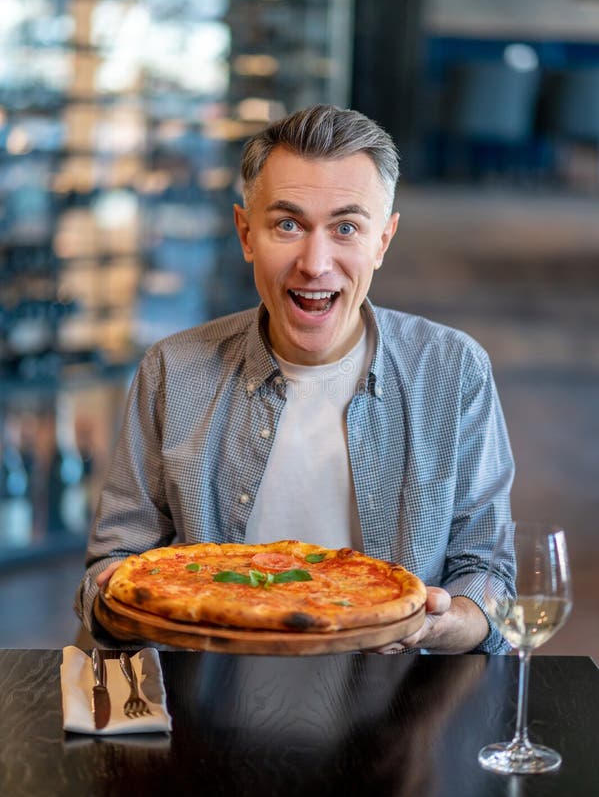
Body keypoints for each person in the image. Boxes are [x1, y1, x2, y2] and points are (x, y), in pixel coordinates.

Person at [75, 104, 515, 653]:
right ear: (245, 234)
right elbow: (111, 570)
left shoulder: (453, 370)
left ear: (383, 240)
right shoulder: (172, 371)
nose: (315, 262)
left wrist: (440, 625)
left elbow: (488, 573)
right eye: (288, 224)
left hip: (396, 702)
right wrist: (117, 601)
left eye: (346, 228)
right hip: (206, 699)